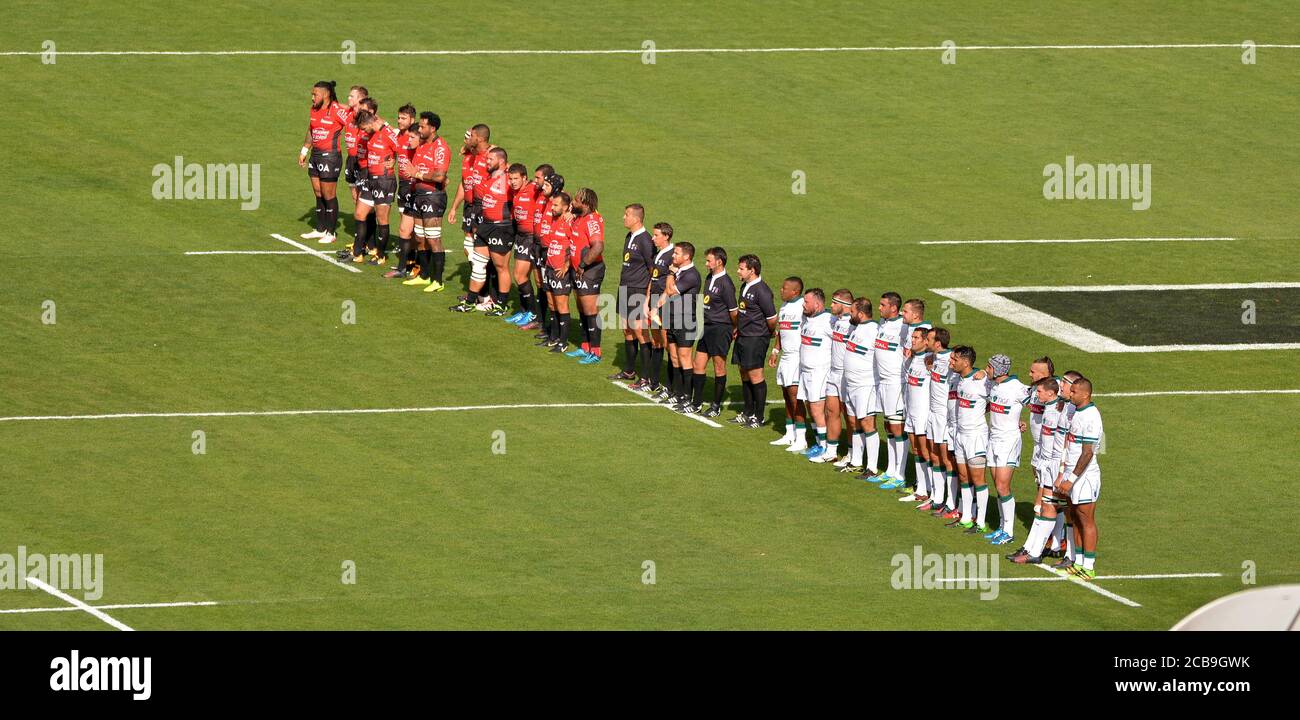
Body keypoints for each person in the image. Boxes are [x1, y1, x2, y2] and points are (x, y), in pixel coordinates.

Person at [1008, 377, 1065, 564]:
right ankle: (1037, 547)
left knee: (1044, 506)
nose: (1036, 394)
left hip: (1054, 465)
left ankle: (1036, 550)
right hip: (1045, 462)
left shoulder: (1059, 412)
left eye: (1039, 391)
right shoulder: (1050, 409)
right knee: (1045, 506)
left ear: (1050, 392)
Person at [397, 111, 451, 288]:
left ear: (433, 128)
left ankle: (438, 280)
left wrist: (417, 174)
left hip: (432, 197)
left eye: (422, 126)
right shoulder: (420, 144)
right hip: (417, 196)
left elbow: (440, 176)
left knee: (433, 239)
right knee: (420, 238)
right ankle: (425, 275)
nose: (419, 129)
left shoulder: (440, 148)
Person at [1057, 376, 1103, 580]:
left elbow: (1088, 453)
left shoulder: (1092, 416)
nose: (1070, 394)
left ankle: (1089, 566)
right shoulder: (1077, 412)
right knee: (1074, 517)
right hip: (1072, 473)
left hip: (1085, 477)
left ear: (1086, 394)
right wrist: (1063, 473)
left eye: (1074, 392)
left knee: (1086, 519)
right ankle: (1078, 562)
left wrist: (1071, 478)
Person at [984, 354, 1031, 545]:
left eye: (989, 367)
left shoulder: (1018, 388)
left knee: (1003, 486)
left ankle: (1009, 531)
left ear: (998, 369)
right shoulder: (994, 385)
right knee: (998, 486)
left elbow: (1037, 404)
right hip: (993, 439)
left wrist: (1027, 423)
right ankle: (1002, 527)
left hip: (1009, 441)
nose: (986, 369)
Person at [947, 345, 992, 535]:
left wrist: (984, 373)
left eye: (954, 360)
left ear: (965, 362)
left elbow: (998, 397)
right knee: (964, 477)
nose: (951, 362)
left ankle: (980, 521)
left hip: (976, 437)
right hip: (960, 435)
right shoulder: (960, 379)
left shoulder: (982, 381)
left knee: (978, 479)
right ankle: (966, 517)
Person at [688, 247, 738, 415]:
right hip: (707, 326)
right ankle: (696, 403)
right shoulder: (710, 277)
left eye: (709, 261)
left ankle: (716, 407)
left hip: (720, 328)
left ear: (719, 262)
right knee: (698, 364)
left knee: (719, 367)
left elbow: (733, 311)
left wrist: (734, 328)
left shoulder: (726, 284)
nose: (706, 264)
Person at [651, 242, 700, 410]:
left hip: (685, 321)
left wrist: (670, 273)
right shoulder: (681, 272)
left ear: (686, 257)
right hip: (672, 319)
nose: (673, 255)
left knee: (685, 359)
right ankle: (677, 392)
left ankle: (687, 396)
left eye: (676, 253)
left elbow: (671, 290)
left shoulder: (691, 275)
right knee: (673, 357)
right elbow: (666, 293)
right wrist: (655, 307)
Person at [731, 254, 777, 428]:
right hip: (743, 336)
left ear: (752, 270)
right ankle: (748, 412)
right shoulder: (745, 286)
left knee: (755, 375)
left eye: (741, 268)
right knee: (744, 372)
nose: (738, 271)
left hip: (756, 338)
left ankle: (759, 417)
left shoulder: (762, 290)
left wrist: (769, 333)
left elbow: (772, 318)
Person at [299, 80, 348, 245]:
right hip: (315, 155)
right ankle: (320, 229)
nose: (312, 97)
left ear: (326, 94)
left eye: (315, 94)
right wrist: (305, 150)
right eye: (312, 94)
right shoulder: (314, 109)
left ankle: (331, 231)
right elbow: (311, 128)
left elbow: (354, 120)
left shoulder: (336, 110)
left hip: (330, 157)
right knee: (318, 193)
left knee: (329, 195)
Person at [610, 204, 654, 382]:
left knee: (640, 332)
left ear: (636, 218)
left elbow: (653, 271)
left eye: (626, 214)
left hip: (638, 290)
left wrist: (647, 296)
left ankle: (646, 376)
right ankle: (629, 371)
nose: (623, 217)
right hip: (625, 287)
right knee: (627, 330)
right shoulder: (630, 236)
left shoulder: (645, 240)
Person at [872, 293, 910, 489]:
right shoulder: (883, 322)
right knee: (888, 427)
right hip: (883, 383)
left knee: (897, 428)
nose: (879, 308)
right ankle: (889, 470)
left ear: (894, 308)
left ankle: (900, 474)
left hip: (896, 383)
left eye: (882, 305)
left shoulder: (903, 327)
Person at [566, 188, 607, 365]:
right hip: (578, 270)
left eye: (576, 200)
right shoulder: (579, 217)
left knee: (591, 311)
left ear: (586, 204)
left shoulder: (592, 221)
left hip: (589, 270)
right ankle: (585, 347)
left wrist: (583, 265)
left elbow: (597, 247)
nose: (573, 203)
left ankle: (596, 351)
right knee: (582, 310)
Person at [813, 289, 854, 463]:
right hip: (834, 373)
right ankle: (831, 451)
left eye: (835, 302)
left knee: (850, 417)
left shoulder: (853, 324)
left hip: (846, 375)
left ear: (845, 305)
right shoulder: (835, 321)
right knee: (831, 411)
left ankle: (853, 454)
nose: (831, 305)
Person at [842, 297, 881, 475]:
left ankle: (872, 467)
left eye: (851, 312)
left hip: (865, 385)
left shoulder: (873, 330)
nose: (849, 315)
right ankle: (856, 460)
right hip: (851, 384)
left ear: (860, 313)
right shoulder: (857, 328)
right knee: (853, 421)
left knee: (867, 423)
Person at [796, 289, 835, 460]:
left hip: (819, 372)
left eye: (806, 302)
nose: (803, 305)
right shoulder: (806, 318)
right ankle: (819, 443)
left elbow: (841, 343)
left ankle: (825, 447)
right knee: (809, 407)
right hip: (805, 371)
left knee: (817, 409)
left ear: (817, 304)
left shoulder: (828, 321)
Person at [770, 277, 808, 450]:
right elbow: (780, 332)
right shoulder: (784, 306)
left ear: (795, 291)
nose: (781, 290)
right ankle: (789, 433)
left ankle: (801, 439)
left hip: (797, 358)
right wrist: (775, 351)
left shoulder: (803, 307)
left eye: (784, 288)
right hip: (785, 357)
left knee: (795, 398)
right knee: (786, 395)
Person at [503, 163, 543, 325]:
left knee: (520, 275)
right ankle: (524, 310)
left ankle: (532, 313)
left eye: (516, 179)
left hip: (531, 237)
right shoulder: (515, 191)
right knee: (520, 275)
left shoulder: (534, 188)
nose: (512, 182)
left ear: (525, 178)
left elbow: (558, 194)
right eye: (510, 179)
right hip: (521, 236)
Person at [643, 222, 676, 397]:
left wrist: (657, 305)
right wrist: (647, 300)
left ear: (666, 236)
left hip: (665, 305)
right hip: (654, 302)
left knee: (667, 344)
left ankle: (670, 387)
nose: (652, 238)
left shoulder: (673, 255)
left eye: (656, 235)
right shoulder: (658, 254)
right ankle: (653, 382)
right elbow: (653, 278)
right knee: (656, 342)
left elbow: (672, 284)